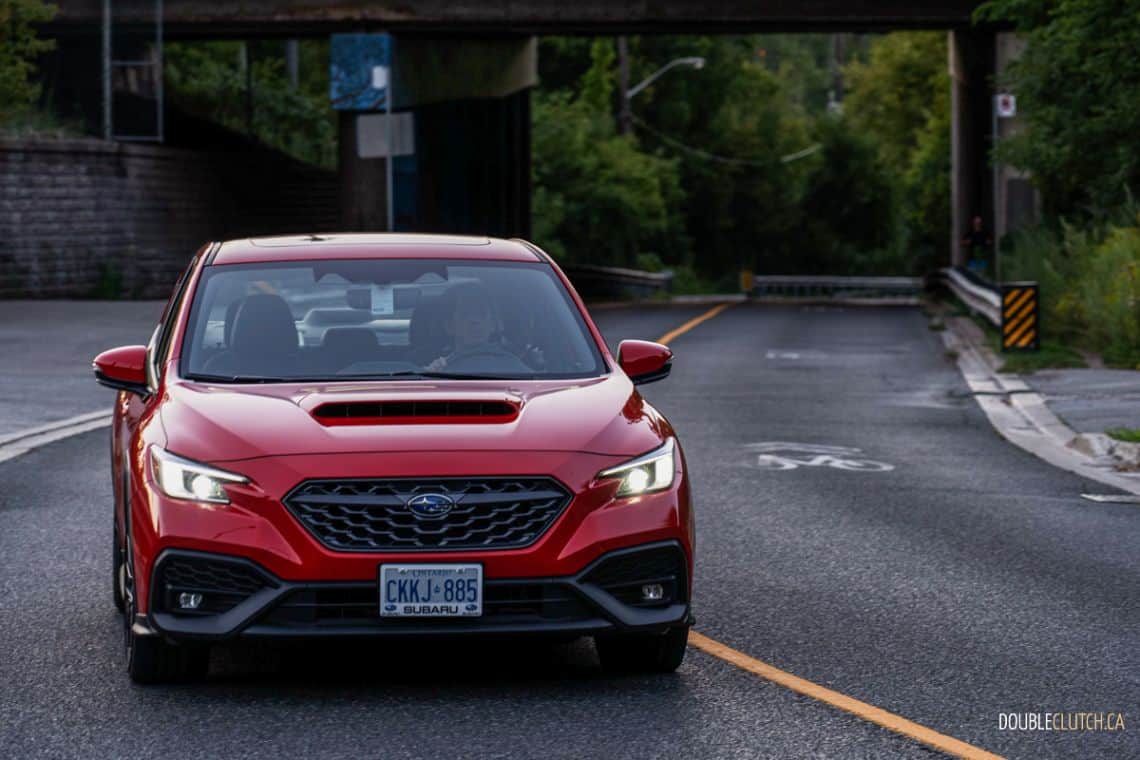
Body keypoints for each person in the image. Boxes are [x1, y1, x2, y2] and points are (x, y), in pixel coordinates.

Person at [425, 284, 501, 371]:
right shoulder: (437, 368)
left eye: (482, 314)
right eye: (466, 314)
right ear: (449, 326)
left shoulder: (512, 364)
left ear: (493, 325)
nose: (475, 321)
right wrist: (430, 374)